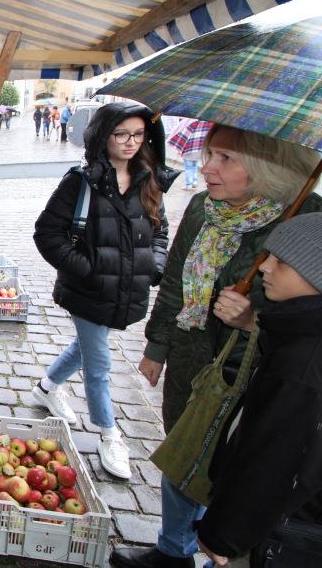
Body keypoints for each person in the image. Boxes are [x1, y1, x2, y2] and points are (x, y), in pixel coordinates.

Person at [109, 125, 322, 568]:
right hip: (192, 358)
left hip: (247, 372)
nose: (207, 168)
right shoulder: (202, 208)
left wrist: (251, 322)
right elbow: (173, 283)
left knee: (226, 465)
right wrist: (157, 347)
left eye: (226, 158)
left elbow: (308, 326)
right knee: (182, 457)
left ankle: (220, 549)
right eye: (210, 154)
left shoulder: (304, 219)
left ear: (267, 169)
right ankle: (173, 549)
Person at [33, 102, 178, 479]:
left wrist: (154, 266)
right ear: (103, 136)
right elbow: (47, 233)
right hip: (88, 291)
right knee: (99, 363)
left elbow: (160, 232)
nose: (130, 142)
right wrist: (86, 270)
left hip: (126, 289)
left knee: (86, 346)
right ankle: (108, 432)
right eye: (121, 134)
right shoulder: (81, 181)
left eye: (137, 134)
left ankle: (47, 386)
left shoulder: (150, 179)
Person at [197, 213, 322, 568]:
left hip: (272, 535)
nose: (265, 267)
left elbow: (275, 458)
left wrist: (223, 532)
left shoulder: (303, 363)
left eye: (280, 261)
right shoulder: (300, 332)